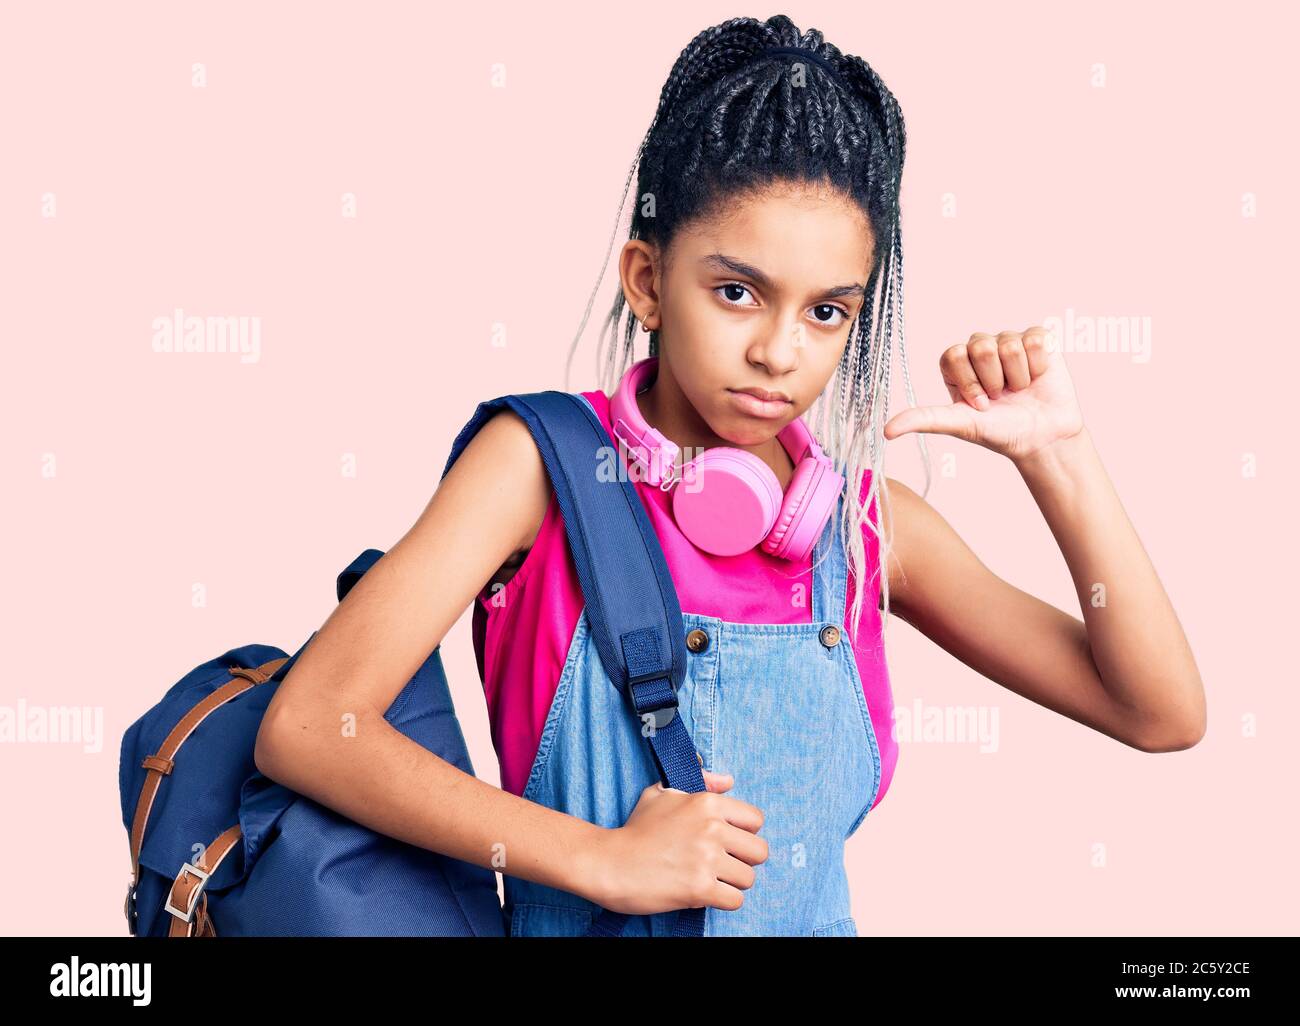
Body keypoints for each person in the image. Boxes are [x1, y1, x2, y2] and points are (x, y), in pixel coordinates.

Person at [254, 14, 1206, 937]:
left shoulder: (869, 532)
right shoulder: (538, 470)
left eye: (827, 312)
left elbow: (1157, 712)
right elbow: (308, 725)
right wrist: (594, 859)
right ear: (646, 280)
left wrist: (1058, 455)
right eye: (737, 292)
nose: (779, 352)